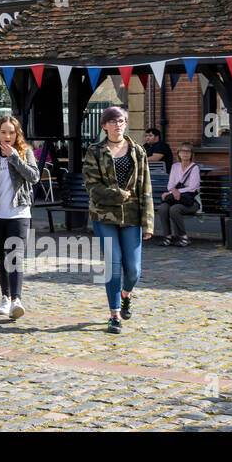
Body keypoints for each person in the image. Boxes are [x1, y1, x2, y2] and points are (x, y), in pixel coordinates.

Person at [82, 105, 153, 335]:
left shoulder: (138, 151)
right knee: (113, 266)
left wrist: (148, 222)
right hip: (104, 215)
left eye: (121, 120)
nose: (117, 125)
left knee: (133, 270)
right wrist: (118, 194)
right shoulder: (95, 151)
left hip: (132, 216)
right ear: (104, 126)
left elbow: (146, 188)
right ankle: (114, 315)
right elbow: (92, 187)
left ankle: (126, 294)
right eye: (112, 121)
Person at [0, 114, 39, 320]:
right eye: (3, 132)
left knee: (15, 257)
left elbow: (34, 176)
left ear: (17, 134)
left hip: (19, 213)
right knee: (2, 258)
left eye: (11, 132)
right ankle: (5, 297)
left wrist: (14, 157)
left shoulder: (25, 152)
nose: (7, 136)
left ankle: (16, 300)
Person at [157, 141, 201, 246]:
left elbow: (193, 187)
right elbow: (170, 185)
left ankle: (183, 237)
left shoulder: (195, 168)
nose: (185, 153)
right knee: (163, 208)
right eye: (182, 151)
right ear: (178, 153)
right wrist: (174, 191)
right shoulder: (175, 166)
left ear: (191, 154)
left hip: (191, 202)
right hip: (175, 198)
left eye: (188, 151)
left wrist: (177, 191)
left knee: (174, 209)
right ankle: (167, 236)